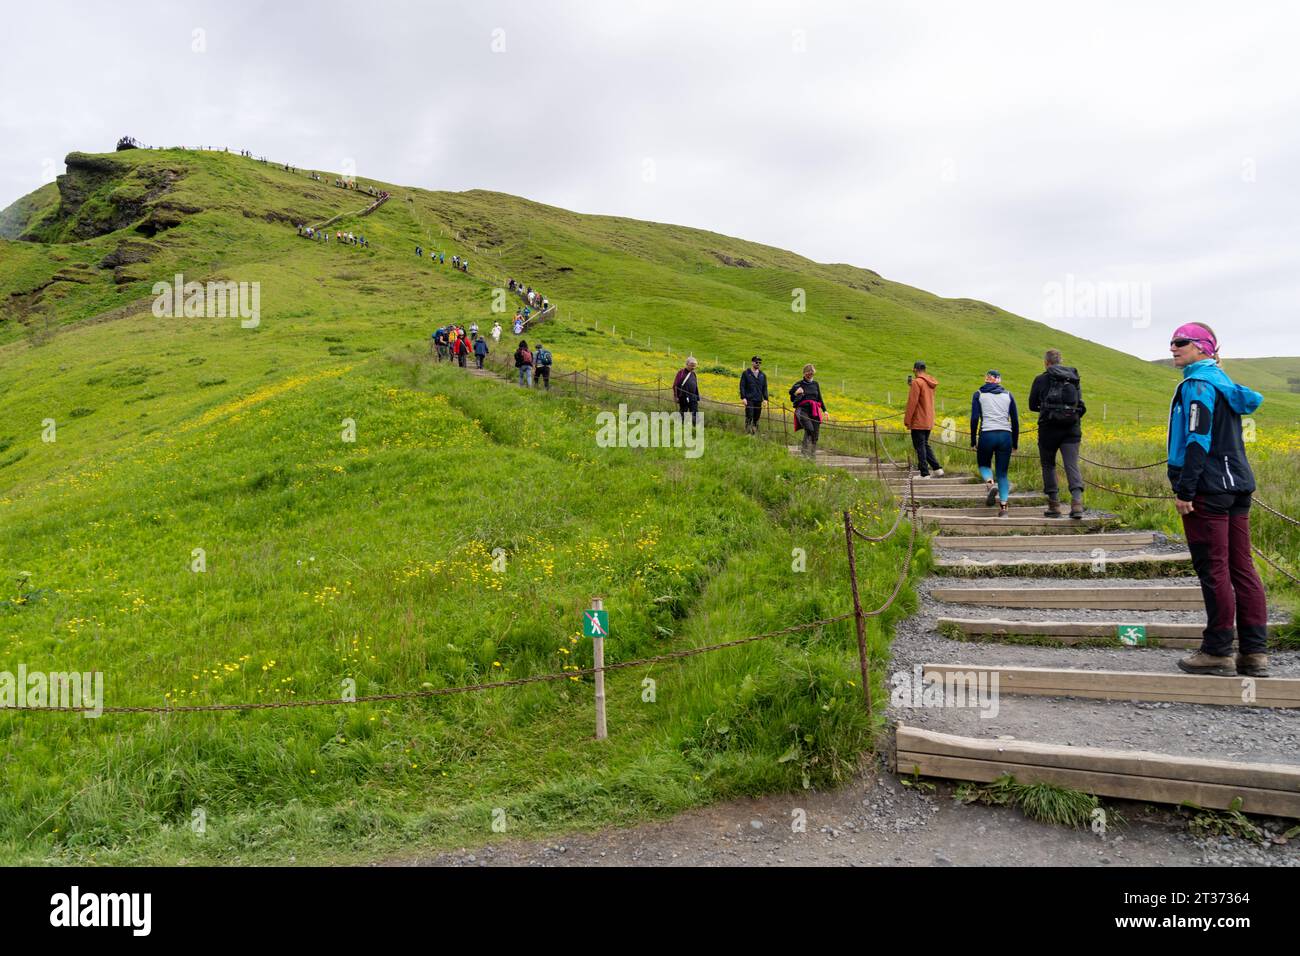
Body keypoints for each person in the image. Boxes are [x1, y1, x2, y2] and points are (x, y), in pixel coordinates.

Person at [1166, 323, 1269, 677]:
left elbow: (1198, 438)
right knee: (1242, 567)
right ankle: (1255, 653)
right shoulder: (1226, 384)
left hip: (1208, 489)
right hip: (1238, 484)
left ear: (1202, 348)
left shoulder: (1198, 385)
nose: (1174, 348)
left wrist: (1185, 490)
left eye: (1181, 342)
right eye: (1173, 342)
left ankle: (1217, 651)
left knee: (1214, 568)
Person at [1029, 349, 1086, 519]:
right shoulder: (1073, 378)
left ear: (1046, 363)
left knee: (1048, 465)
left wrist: (1047, 409)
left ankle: (1054, 505)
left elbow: (1032, 405)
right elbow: (1079, 403)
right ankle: (1077, 503)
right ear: (1060, 361)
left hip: (1048, 429)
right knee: (1071, 464)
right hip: (1072, 428)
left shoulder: (1040, 379)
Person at [970, 370, 1019, 516]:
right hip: (1005, 436)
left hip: (987, 435)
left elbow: (974, 419)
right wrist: (1015, 443)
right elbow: (1015, 421)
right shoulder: (1008, 395)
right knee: (1002, 473)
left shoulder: (979, 394)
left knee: (984, 465)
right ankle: (1004, 508)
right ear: (999, 380)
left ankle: (990, 483)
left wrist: (973, 440)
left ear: (986, 380)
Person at [904, 360, 944, 478]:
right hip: (928, 418)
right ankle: (937, 468)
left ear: (915, 369)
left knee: (919, 446)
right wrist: (913, 385)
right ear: (924, 369)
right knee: (924, 444)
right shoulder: (930, 382)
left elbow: (912, 403)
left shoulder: (917, 383)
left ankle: (924, 473)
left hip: (918, 420)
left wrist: (907, 420)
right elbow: (924, 396)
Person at [790, 364, 827, 460]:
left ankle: (812, 454)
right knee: (809, 429)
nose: (809, 376)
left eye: (811, 374)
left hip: (814, 410)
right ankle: (804, 451)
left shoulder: (815, 384)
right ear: (804, 373)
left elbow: (819, 398)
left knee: (815, 433)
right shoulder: (799, 384)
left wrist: (825, 410)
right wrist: (796, 392)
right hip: (802, 410)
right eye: (808, 374)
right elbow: (792, 397)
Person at [739, 355, 768, 435]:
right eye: (756, 362)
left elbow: (765, 388)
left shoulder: (762, 375)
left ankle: (754, 433)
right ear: (752, 363)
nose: (758, 364)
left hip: (758, 400)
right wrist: (743, 397)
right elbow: (742, 386)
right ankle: (747, 433)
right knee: (749, 416)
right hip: (749, 399)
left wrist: (765, 399)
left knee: (756, 417)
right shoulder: (746, 373)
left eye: (759, 362)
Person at [673, 357, 701, 424]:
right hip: (683, 396)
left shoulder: (694, 374)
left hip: (693, 397)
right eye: (692, 365)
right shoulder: (681, 373)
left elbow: (695, 386)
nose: (693, 367)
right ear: (687, 364)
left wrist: (697, 396)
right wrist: (676, 396)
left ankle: (695, 427)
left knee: (695, 412)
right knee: (683, 411)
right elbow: (675, 385)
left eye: (694, 366)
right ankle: (680, 425)